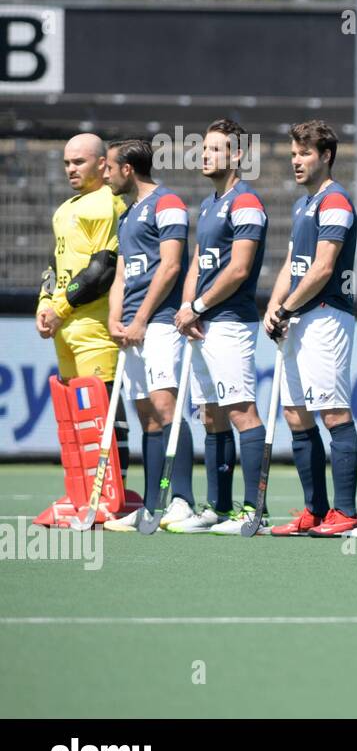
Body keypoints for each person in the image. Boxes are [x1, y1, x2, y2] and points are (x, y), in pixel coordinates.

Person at [167, 119, 269, 534]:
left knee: (241, 410)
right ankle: (220, 507)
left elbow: (239, 269)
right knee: (211, 414)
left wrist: (199, 306)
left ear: (237, 155)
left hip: (230, 322)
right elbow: (198, 262)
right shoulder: (209, 204)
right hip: (203, 321)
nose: (204, 155)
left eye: (214, 149)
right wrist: (187, 307)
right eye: (203, 148)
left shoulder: (246, 202)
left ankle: (255, 511)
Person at [263, 120, 357, 538]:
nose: (296, 161)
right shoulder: (304, 203)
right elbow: (293, 264)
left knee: (333, 412)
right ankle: (315, 510)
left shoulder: (335, 200)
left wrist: (287, 307)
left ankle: (346, 511)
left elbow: (322, 267)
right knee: (295, 414)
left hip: (324, 316)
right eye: (293, 154)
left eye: (304, 153)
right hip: (297, 317)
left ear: (326, 156)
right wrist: (274, 307)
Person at [103, 139, 194, 531]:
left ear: (128, 169)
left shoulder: (167, 203)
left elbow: (170, 267)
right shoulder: (126, 215)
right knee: (147, 417)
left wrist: (141, 318)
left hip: (160, 321)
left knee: (164, 406)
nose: (105, 175)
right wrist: (115, 318)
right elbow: (122, 274)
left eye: (109, 168)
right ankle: (152, 505)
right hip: (132, 326)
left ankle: (183, 500)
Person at [38, 133, 129, 493]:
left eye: (79, 162)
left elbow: (102, 271)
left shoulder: (109, 204)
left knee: (103, 416)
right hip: (65, 329)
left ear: (102, 164)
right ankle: (82, 491)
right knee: (74, 417)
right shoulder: (64, 209)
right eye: (67, 163)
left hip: (96, 328)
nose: (71, 169)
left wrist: (59, 307)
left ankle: (113, 491)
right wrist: (44, 304)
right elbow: (53, 265)